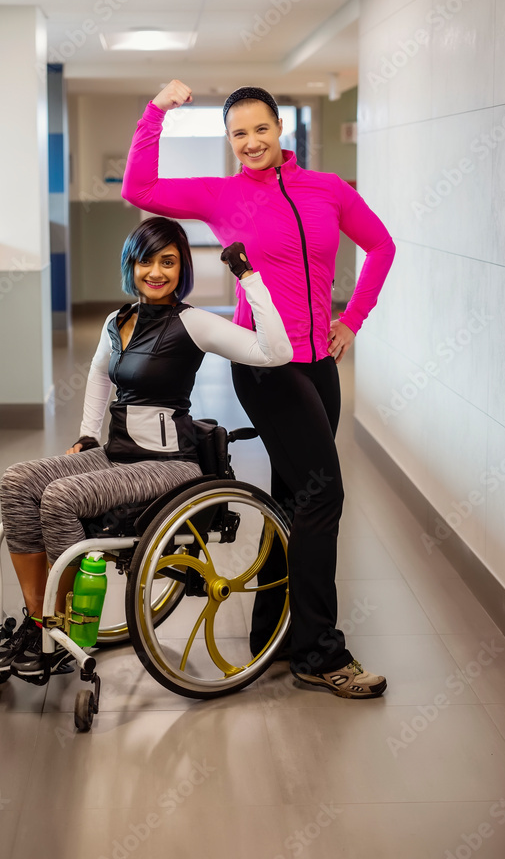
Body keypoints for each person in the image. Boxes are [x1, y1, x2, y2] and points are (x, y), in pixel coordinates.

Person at [121, 80, 396, 699]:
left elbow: (381, 246)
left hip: (320, 365)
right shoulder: (222, 198)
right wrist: (155, 112)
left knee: (297, 496)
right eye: (238, 134)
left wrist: (352, 318)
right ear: (229, 141)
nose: (251, 142)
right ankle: (321, 654)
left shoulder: (326, 189)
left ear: (280, 130)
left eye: (260, 129)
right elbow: (139, 190)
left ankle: (275, 633)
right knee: (325, 495)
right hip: (264, 364)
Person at [0, 216, 292, 680]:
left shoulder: (193, 323)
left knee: (60, 497)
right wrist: (88, 434)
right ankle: (38, 621)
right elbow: (99, 375)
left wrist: (251, 280)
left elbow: (276, 352)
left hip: (172, 465)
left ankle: (68, 629)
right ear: (130, 265)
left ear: (182, 268)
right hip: (120, 451)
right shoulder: (118, 319)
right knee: (17, 482)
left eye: (168, 262)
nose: (156, 271)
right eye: (145, 260)